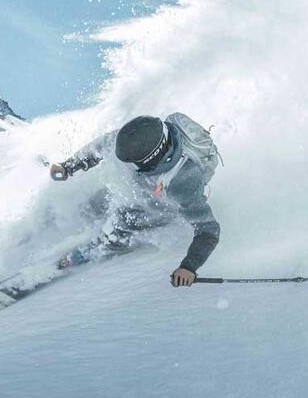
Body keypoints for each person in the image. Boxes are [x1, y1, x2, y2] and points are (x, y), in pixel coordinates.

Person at [49, 113, 221, 287]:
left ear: (149, 162)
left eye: (132, 164)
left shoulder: (183, 181)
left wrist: (188, 267)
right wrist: (68, 166)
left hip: (160, 204)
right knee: (95, 203)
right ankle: (60, 222)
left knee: (125, 222)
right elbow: (100, 147)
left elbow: (208, 230)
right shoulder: (136, 137)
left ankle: (94, 250)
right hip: (140, 186)